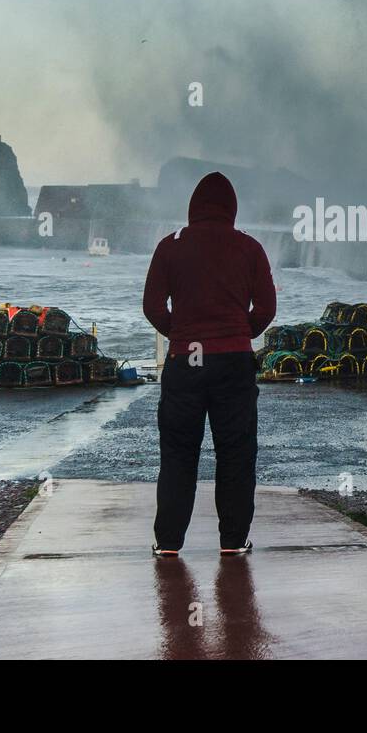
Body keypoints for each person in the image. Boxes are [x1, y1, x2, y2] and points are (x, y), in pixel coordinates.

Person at [142, 172, 276, 557]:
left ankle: (168, 543)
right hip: (233, 363)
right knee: (235, 453)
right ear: (231, 209)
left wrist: (181, 335)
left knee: (179, 453)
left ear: (193, 208)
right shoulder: (249, 248)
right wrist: (236, 337)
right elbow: (266, 308)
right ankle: (233, 542)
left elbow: (153, 307)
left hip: (186, 361)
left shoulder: (170, 246)